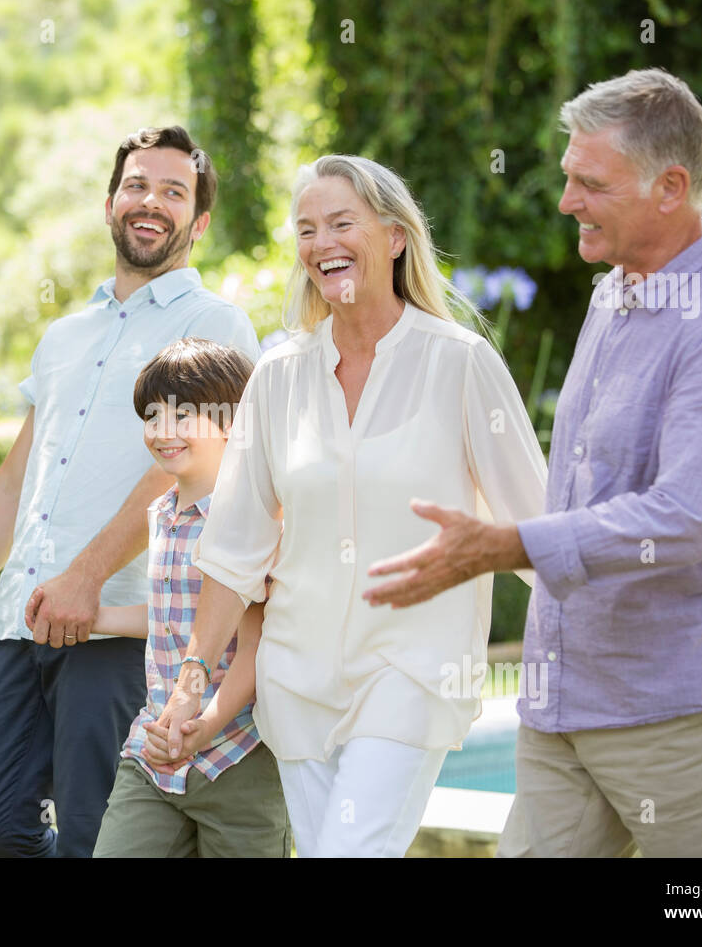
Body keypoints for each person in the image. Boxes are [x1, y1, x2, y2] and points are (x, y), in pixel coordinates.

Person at [363, 69, 702, 858]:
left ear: (671, 187)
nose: (567, 201)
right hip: (564, 701)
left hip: (680, 711)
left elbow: (683, 517)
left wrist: (506, 545)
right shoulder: (613, 293)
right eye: (568, 177)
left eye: (589, 183)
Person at [155, 154, 548, 857]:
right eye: (307, 230)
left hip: (412, 670)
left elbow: (540, 527)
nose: (321, 243)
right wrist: (191, 687)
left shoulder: (460, 364)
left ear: (395, 237)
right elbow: (234, 549)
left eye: (342, 223)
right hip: (295, 679)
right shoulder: (278, 374)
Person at [0, 126, 261, 858]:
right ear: (110, 205)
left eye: (175, 192)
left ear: (198, 223)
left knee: (94, 835)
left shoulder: (214, 323)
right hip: (20, 620)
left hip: (115, 624)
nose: (151, 202)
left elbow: (189, 465)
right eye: (137, 186)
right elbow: (15, 481)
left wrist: (86, 577)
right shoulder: (64, 336)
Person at [55, 337, 292, 858]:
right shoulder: (161, 514)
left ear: (235, 423)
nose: (163, 430)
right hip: (154, 749)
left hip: (238, 755)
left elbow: (255, 647)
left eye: (185, 414)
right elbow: (172, 618)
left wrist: (205, 725)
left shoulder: (255, 521)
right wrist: (95, 618)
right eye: (153, 414)